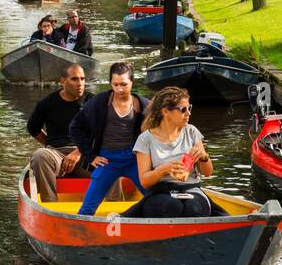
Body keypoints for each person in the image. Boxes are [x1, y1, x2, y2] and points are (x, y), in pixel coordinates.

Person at [70, 62, 150, 215]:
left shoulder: (144, 104)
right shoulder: (99, 102)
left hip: (134, 159)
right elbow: (75, 127)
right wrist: (90, 156)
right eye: (115, 84)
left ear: (132, 82)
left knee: (156, 196)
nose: (120, 89)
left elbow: (160, 130)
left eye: (124, 84)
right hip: (107, 159)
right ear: (110, 83)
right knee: (87, 208)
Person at [133, 87, 216, 217]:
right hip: (160, 191)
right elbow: (144, 182)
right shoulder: (145, 139)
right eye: (183, 110)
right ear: (165, 111)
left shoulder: (192, 131)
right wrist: (163, 170)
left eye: (189, 108)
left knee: (194, 209)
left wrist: (204, 158)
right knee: (171, 207)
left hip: (191, 189)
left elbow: (207, 173)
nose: (188, 113)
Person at [26, 64, 93, 202]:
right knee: (40, 156)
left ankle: (114, 205)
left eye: (82, 79)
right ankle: (50, 205)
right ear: (62, 81)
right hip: (57, 155)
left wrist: (78, 152)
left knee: (112, 157)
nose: (80, 84)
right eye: (74, 79)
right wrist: (51, 145)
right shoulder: (47, 103)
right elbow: (33, 129)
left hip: (86, 155)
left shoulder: (93, 102)